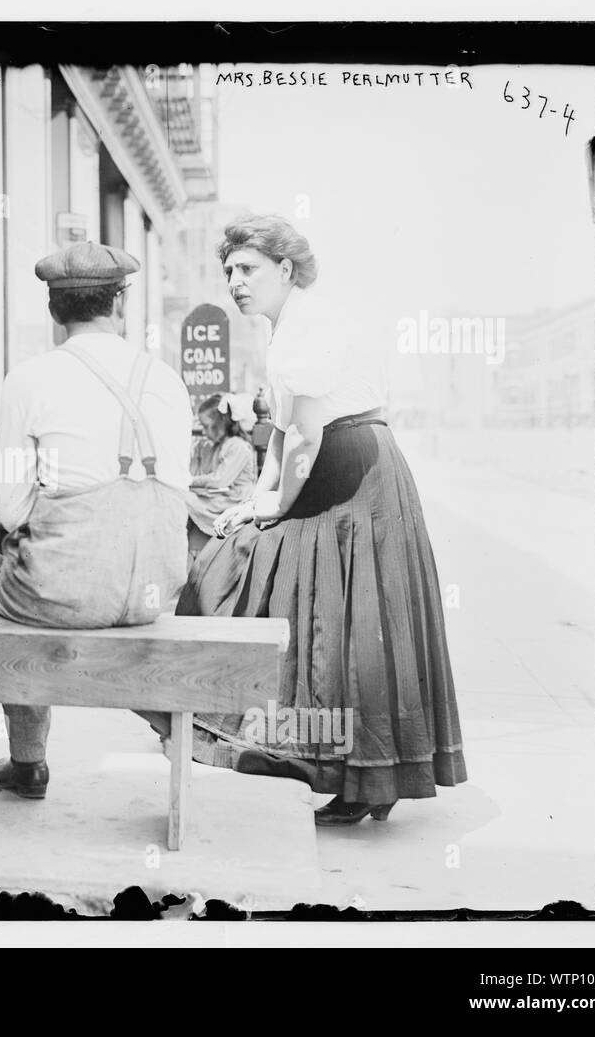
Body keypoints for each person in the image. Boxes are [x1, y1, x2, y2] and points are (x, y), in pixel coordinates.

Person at [178, 215, 466, 826]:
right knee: (332, 614)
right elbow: (283, 437)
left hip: (350, 468)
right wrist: (252, 502)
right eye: (228, 271)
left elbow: (306, 435)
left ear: (285, 269)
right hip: (340, 463)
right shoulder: (287, 328)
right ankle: (353, 773)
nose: (234, 281)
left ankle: (361, 774)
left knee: (345, 619)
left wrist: (275, 507)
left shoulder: (308, 326)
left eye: (247, 268)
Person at [0, 241, 193, 799]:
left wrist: (19, 514)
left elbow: (12, 507)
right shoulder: (167, 379)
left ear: (54, 311)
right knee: (22, 546)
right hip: (154, 590)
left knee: (2, 559)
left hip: (67, 596)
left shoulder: (28, 380)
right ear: (119, 303)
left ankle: (26, 758)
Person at [185, 392, 258, 559]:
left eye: (207, 426)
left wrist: (189, 481)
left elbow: (220, 480)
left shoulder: (238, 446)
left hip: (237, 499)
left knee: (187, 498)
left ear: (220, 424)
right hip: (225, 495)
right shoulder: (218, 446)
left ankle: (190, 547)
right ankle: (187, 545)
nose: (204, 432)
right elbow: (208, 474)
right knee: (185, 496)